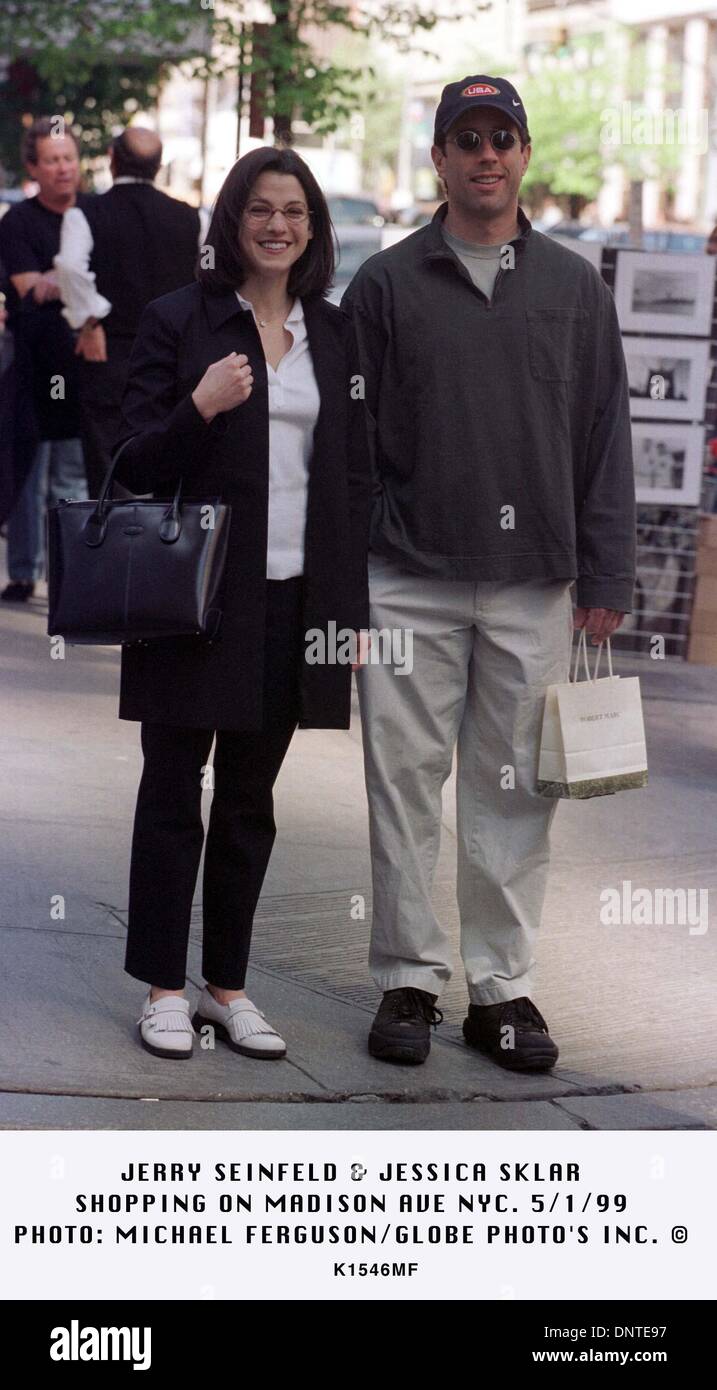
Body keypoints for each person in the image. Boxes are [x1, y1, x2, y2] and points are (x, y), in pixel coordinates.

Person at [341, 74, 636, 1072]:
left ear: (522, 154)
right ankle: (409, 980)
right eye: (465, 139)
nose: (486, 155)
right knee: (404, 781)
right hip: (409, 574)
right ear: (438, 158)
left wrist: (608, 570)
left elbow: (604, 435)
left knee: (516, 788)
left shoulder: (573, 288)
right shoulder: (384, 285)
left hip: (535, 580)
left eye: (501, 137)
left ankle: (500, 988)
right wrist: (363, 555)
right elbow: (350, 439)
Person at [112, 146, 371, 1061]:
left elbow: (350, 480)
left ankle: (227, 984)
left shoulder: (335, 336)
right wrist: (201, 406)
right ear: (232, 220)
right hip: (195, 600)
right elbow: (133, 460)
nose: (277, 226)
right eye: (260, 209)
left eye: (294, 212)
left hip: (296, 601)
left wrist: (350, 618)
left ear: (313, 228)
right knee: (173, 791)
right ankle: (163, 987)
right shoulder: (179, 320)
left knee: (251, 800)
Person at [54, 126, 203, 496]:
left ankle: (113, 552)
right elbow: (208, 278)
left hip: (110, 357)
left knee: (109, 473)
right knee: (170, 468)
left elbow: (70, 266)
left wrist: (90, 318)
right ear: (157, 166)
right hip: (176, 359)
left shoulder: (84, 213)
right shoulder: (191, 218)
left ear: (112, 157)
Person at [0, 118, 89, 602]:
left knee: (72, 476)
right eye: (52, 160)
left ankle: (70, 579)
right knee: (27, 470)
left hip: (82, 360)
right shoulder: (18, 222)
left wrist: (59, 281)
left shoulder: (94, 214)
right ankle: (22, 572)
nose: (63, 168)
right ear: (33, 168)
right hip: (31, 361)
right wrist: (74, 281)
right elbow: (27, 287)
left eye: (69, 158)